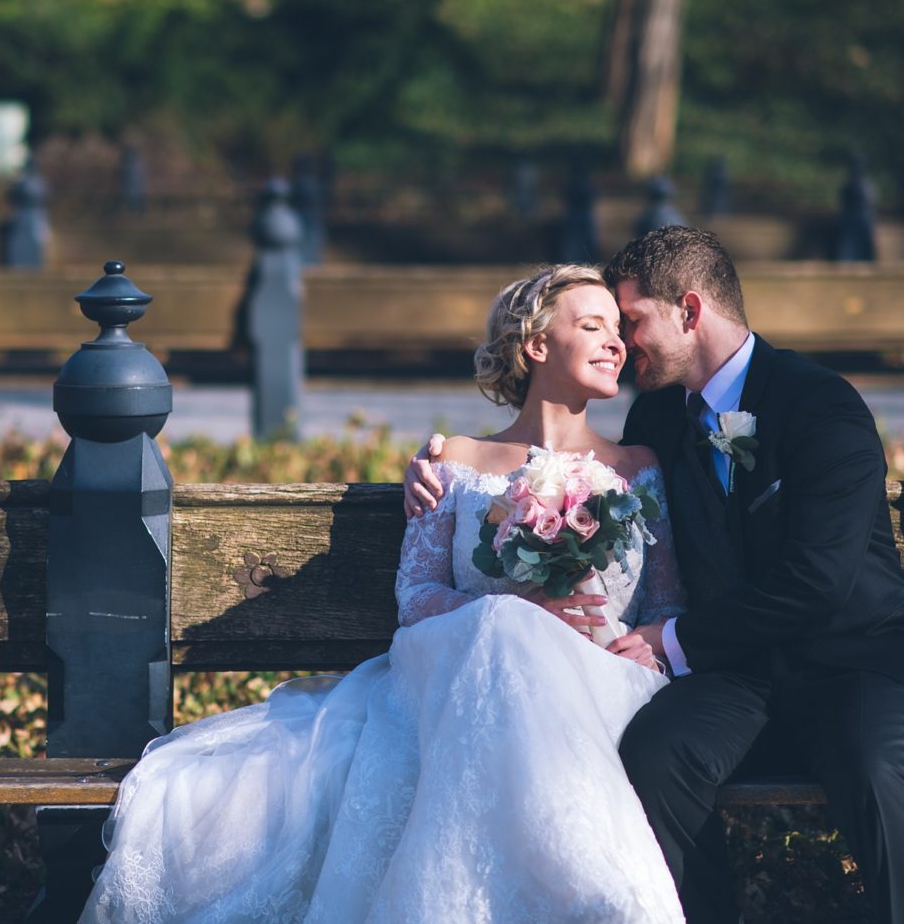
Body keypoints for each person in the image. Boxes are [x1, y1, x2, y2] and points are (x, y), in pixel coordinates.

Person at [81, 264, 689, 924]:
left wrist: (650, 645)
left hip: (597, 692)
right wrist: (517, 612)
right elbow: (416, 594)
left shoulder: (640, 468)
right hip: (461, 687)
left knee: (519, 644)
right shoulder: (453, 461)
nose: (615, 343)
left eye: (618, 330)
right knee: (509, 634)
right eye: (592, 325)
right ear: (537, 344)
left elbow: (664, 606)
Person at [405, 226, 904, 924]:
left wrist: (673, 639)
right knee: (656, 753)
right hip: (741, 675)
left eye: (632, 321)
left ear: (689, 311)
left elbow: (820, 578)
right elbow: (549, 460)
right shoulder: (659, 417)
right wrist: (433, 462)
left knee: (874, 770)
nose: (622, 342)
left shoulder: (819, 404)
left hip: (857, 659)